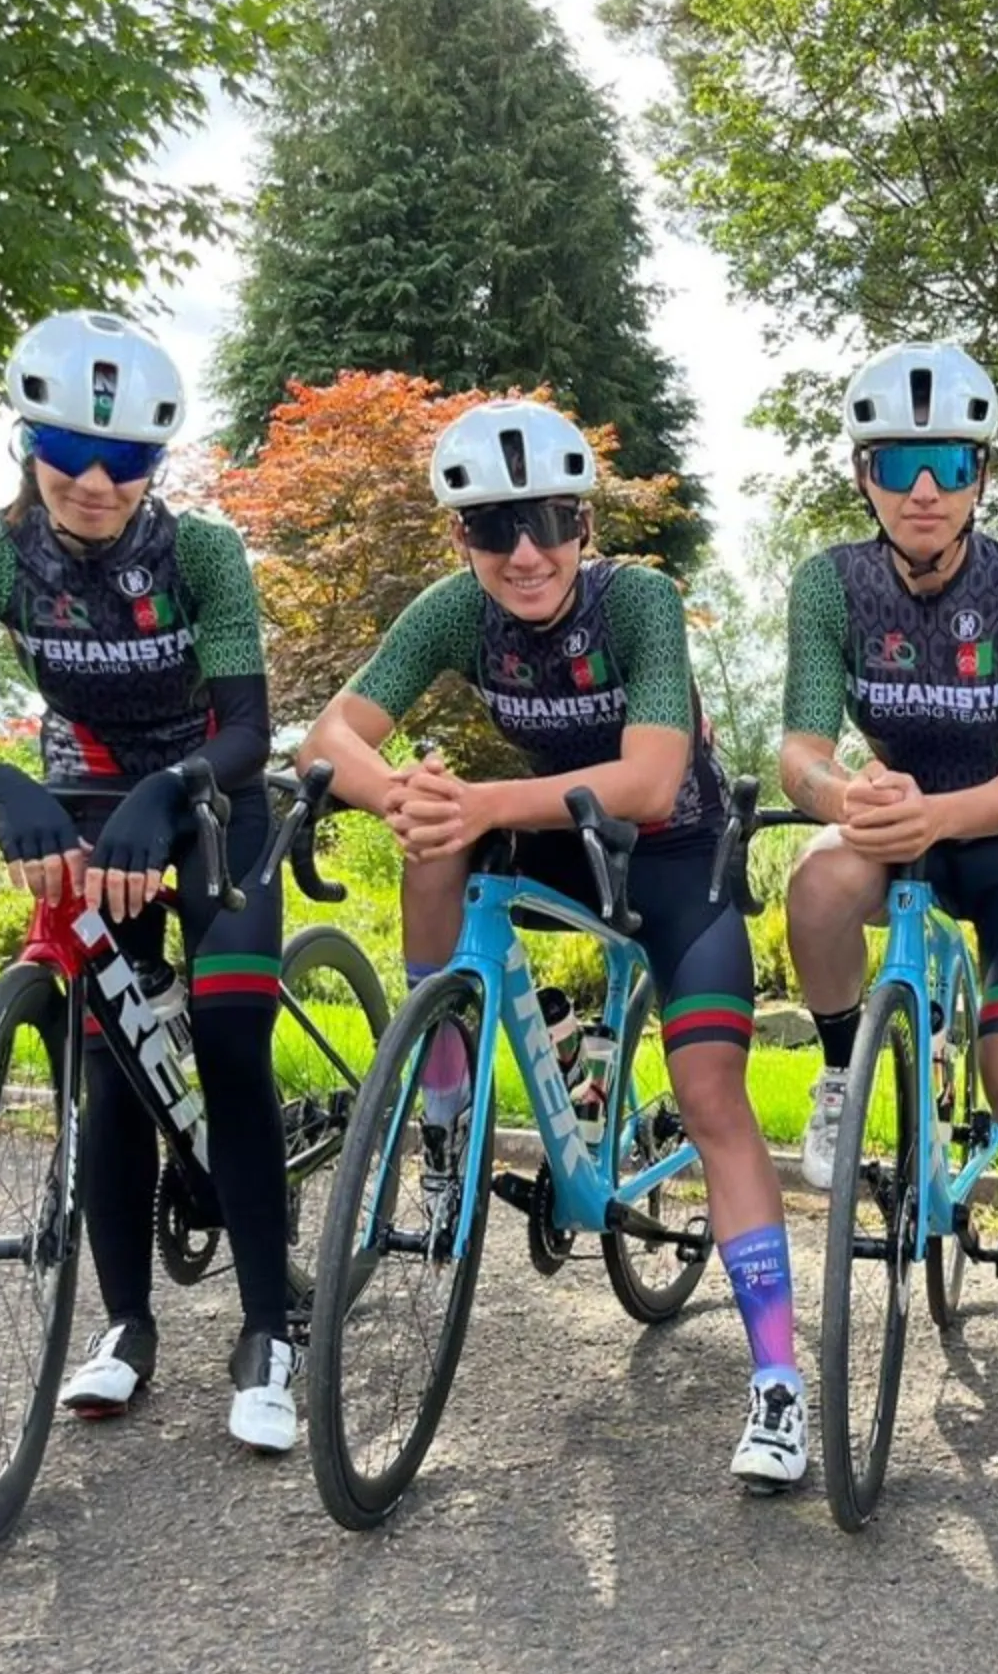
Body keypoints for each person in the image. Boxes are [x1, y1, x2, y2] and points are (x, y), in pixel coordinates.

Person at [299, 400, 806, 1490]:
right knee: (431, 841)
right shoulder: (449, 612)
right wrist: (409, 793)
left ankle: (777, 1381)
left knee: (712, 1092)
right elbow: (330, 738)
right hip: (553, 838)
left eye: (548, 522)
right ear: (459, 539)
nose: (524, 552)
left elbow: (651, 779)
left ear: (584, 523)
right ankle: (445, 1124)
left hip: (674, 851)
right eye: (493, 529)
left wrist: (478, 798)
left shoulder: (641, 602)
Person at [0, 310, 297, 1451]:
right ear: (28, 447)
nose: (96, 483)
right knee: (108, 1070)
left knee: (227, 1034)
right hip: (82, 796)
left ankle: (269, 1329)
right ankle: (125, 1327)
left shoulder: (200, 553)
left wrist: (176, 789)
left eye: (126, 463)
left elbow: (251, 729)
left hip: (211, 800)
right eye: (67, 456)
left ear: (157, 466)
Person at [779, 342, 998, 1441]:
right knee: (815, 885)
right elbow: (796, 747)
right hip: (893, 824)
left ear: (982, 472)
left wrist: (936, 812)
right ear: (863, 477)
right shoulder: (828, 581)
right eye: (897, 463)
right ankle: (841, 1071)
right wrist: (845, 798)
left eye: (947, 461)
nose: (923, 487)